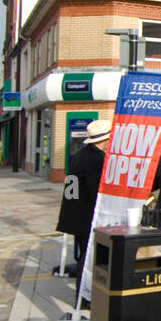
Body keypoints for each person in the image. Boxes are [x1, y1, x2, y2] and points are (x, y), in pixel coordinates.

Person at [55, 119, 111, 282]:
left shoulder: (80, 154)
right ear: (106, 139)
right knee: (88, 259)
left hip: (75, 214)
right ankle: (84, 295)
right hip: (86, 216)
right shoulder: (96, 160)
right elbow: (96, 192)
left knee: (84, 255)